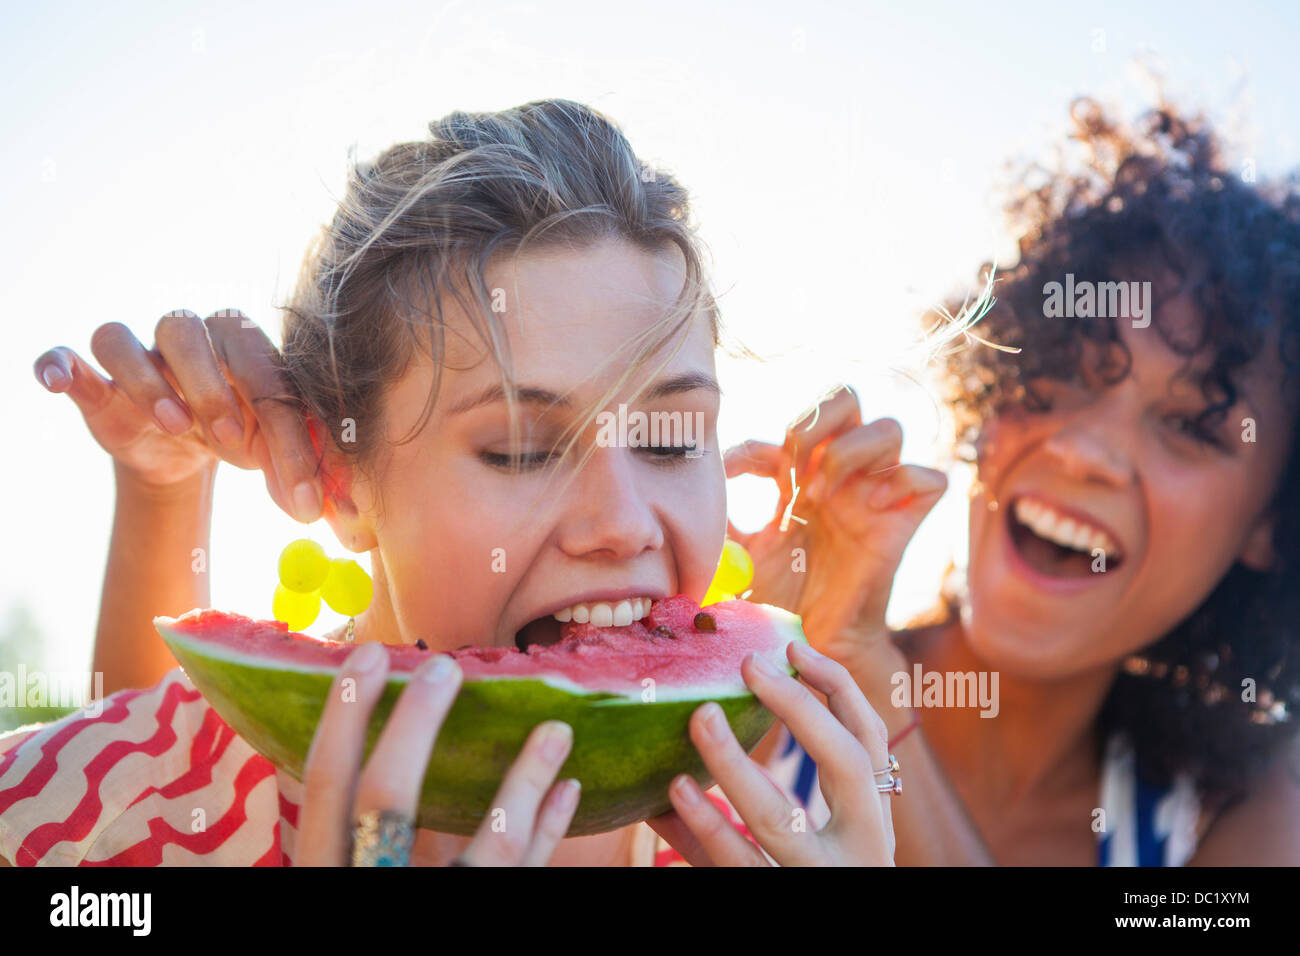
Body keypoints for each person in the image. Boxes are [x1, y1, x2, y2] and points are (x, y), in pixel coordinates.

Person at [5, 99, 928, 867]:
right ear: (339, 474)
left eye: (669, 437)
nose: (621, 525)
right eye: (521, 450)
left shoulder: (794, 840)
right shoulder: (62, 824)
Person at [733, 98, 1300, 865]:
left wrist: (876, 678)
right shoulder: (762, 698)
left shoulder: (1244, 821)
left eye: (1191, 426)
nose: (1083, 451)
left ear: (1272, 520)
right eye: (1065, 371)